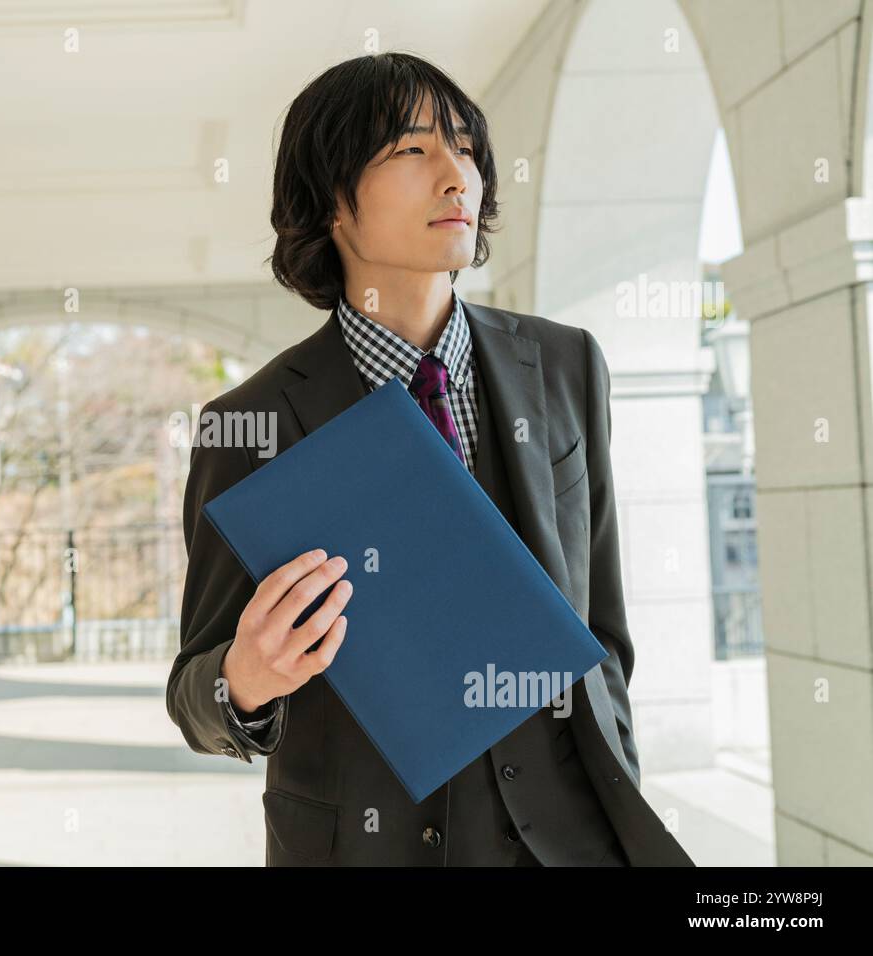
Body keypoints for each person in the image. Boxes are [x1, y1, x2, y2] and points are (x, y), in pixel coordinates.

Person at [166, 51, 693, 867]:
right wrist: (243, 679)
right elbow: (193, 693)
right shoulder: (251, 425)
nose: (458, 176)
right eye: (413, 151)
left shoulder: (563, 364)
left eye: (466, 148)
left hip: (578, 839)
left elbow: (603, 630)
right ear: (329, 200)